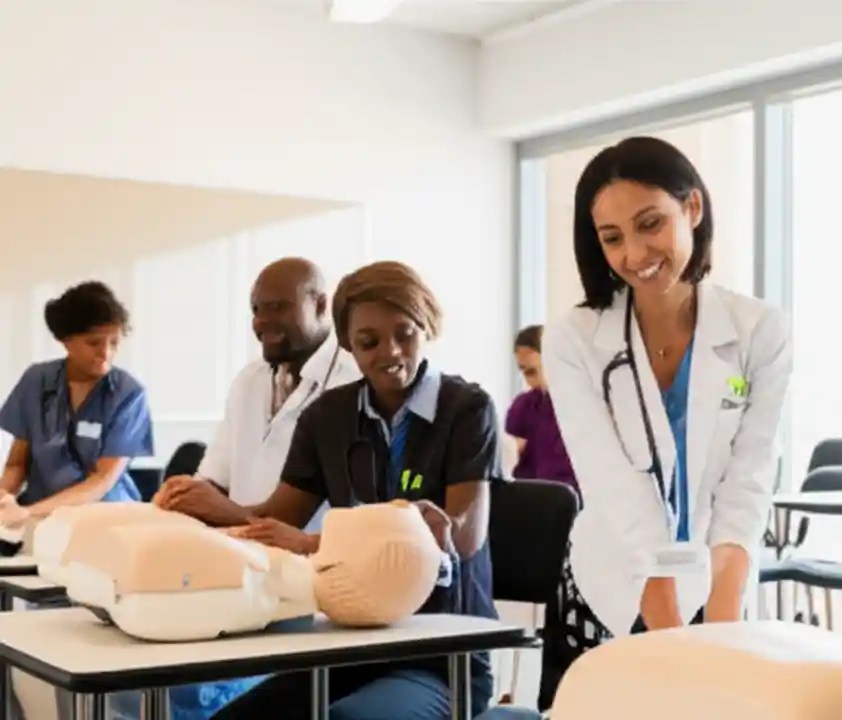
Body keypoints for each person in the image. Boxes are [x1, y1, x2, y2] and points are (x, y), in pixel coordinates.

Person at [161, 261, 502, 720]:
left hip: (441, 654)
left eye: (406, 334)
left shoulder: (466, 409)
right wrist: (209, 512)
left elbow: (461, 538)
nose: (391, 353)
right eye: (368, 342)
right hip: (354, 642)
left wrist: (313, 544)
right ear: (345, 343)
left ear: (428, 327)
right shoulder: (328, 417)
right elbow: (280, 520)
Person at [538, 136, 792, 709]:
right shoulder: (576, 339)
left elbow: (748, 478)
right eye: (611, 237)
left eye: (650, 223)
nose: (633, 253)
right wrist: (673, 636)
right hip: (612, 582)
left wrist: (722, 628)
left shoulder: (759, 330)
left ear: (693, 209)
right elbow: (611, 485)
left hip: (714, 581)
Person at [155, 257, 360, 525]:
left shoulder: (351, 382)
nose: (262, 321)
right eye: (256, 310)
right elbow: (215, 481)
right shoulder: (249, 379)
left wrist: (219, 508)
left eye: (277, 308)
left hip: (312, 559)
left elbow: (293, 518)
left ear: (320, 305)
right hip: (237, 552)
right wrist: (185, 493)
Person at [0, 281, 153, 525]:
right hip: (38, 518)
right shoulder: (36, 381)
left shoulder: (129, 395)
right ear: (66, 340)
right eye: (94, 343)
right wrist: (5, 497)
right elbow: (17, 463)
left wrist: (30, 512)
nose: (106, 352)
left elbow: (102, 480)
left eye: (114, 342)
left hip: (105, 519)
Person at [505, 324, 577, 492]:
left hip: (578, 501)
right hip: (535, 500)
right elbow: (509, 458)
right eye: (524, 371)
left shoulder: (586, 404)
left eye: (532, 371)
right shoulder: (523, 406)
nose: (530, 380)